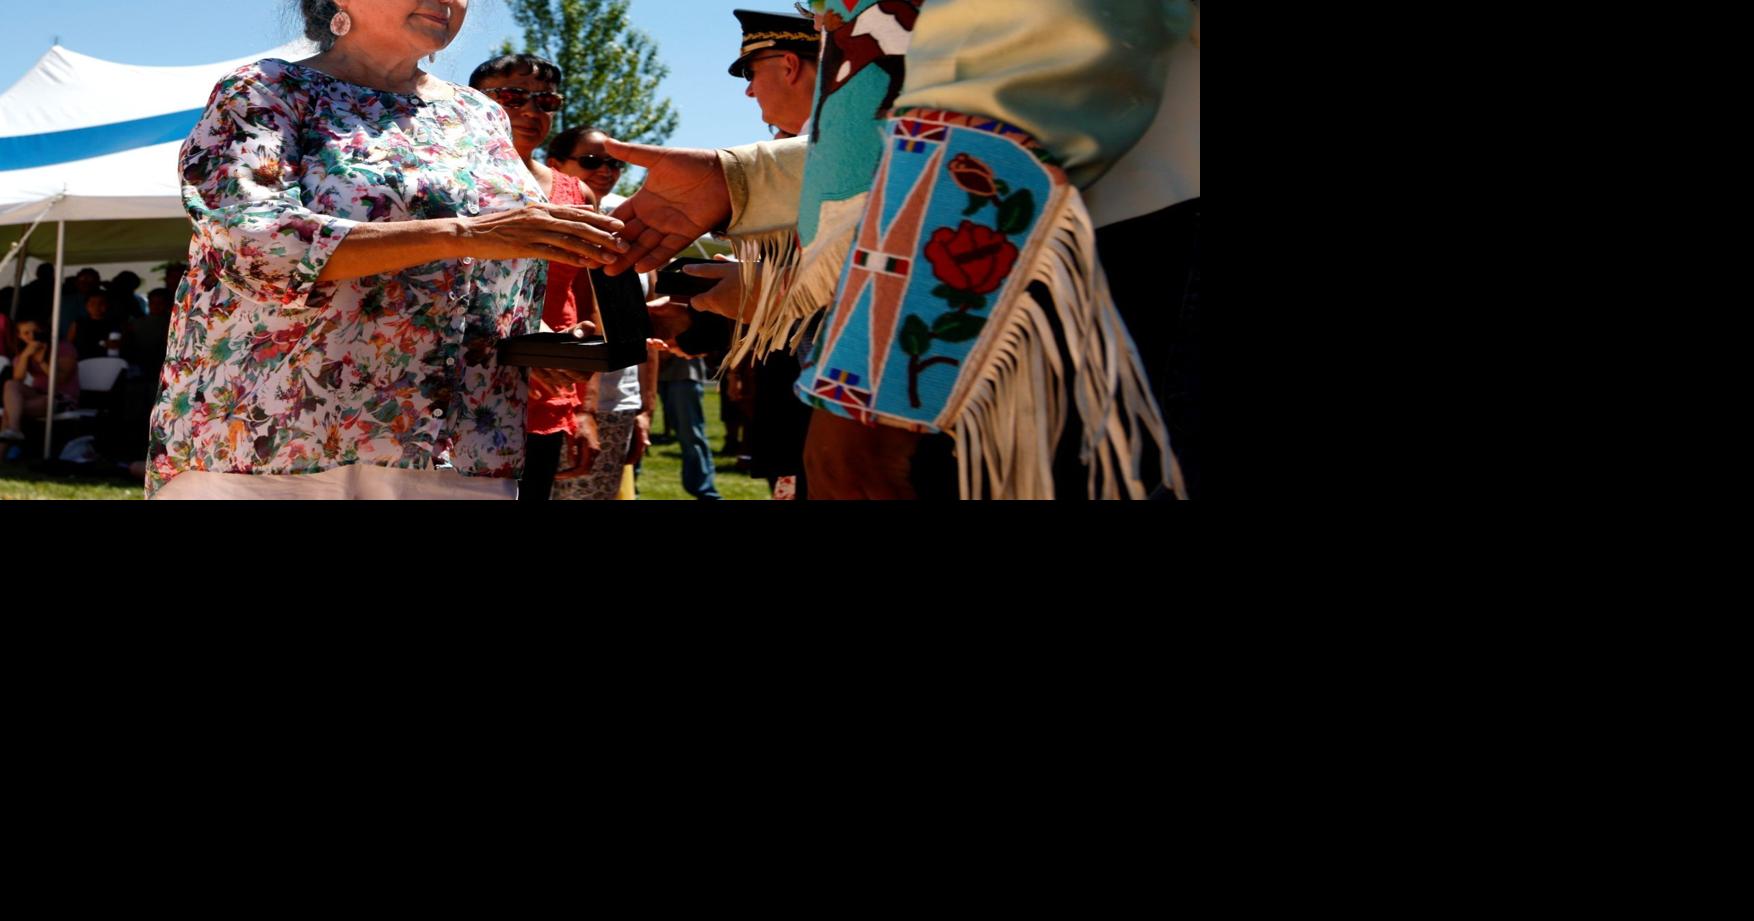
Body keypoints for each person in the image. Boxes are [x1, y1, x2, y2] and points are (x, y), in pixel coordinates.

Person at [602, 0, 1198, 499]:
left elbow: (1033, 59)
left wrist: (879, 381)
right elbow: (887, 121)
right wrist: (741, 181)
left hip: (1086, 269)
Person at [145, 0, 628, 499]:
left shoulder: (479, 114)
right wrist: (463, 233)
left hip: (458, 448)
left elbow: (492, 268)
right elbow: (255, 242)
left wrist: (530, 339)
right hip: (275, 435)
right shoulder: (267, 90)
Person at [468, 52, 603, 501]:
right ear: (474, 101)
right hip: (465, 388)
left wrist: (586, 409)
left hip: (547, 394)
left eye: (545, 101)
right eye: (512, 96)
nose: (531, 111)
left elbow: (587, 303)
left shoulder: (576, 193)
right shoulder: (455, 181)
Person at [549, 125, 659, 500]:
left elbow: (646, 326)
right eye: (592, 161)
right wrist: (584, 410)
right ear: (554, 165)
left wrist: (647, 407)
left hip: (618, 404)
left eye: (615, 163)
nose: (606, 171)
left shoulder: (635, 223)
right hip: (557, 396)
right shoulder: (545, 221)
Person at [0, 318, 78, 442]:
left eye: (35, 331)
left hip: (62, 398)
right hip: (38, 394)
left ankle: (12, 435)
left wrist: (41, 362)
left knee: (10, 412)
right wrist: (26, 356)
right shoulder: (23, 352)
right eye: (26, 333)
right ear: (19, 336)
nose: (32, 336)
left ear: (44, 330)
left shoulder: (63, 347)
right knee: (10, 384)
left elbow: (62, 379)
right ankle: (14, 431)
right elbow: (18, 379)